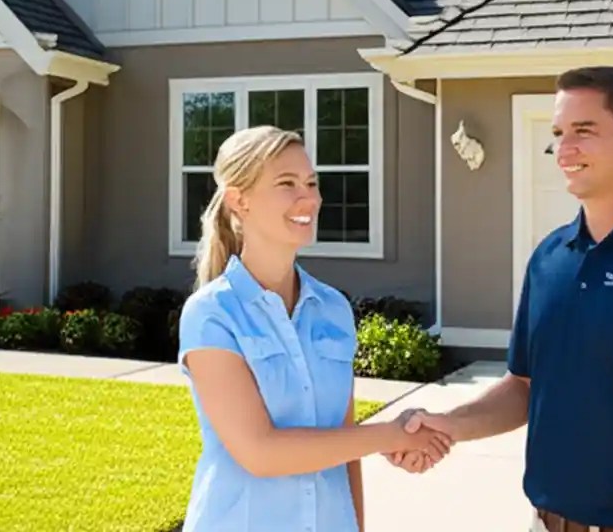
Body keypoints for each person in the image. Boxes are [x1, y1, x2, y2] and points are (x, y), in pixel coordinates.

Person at [389, 67, 613, 532]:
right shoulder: (549, 259)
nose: (564, 149)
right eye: (559, 132)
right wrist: (448, 424)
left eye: (584, 131)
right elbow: (523, 387)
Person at [176, 126, 451, 532]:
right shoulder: (212, 314)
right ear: (240, 200)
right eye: (286, 183)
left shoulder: (333, 309)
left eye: (311, 182)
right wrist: (390, 436)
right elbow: (261, 452)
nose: (309, 197)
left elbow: (344, 442)